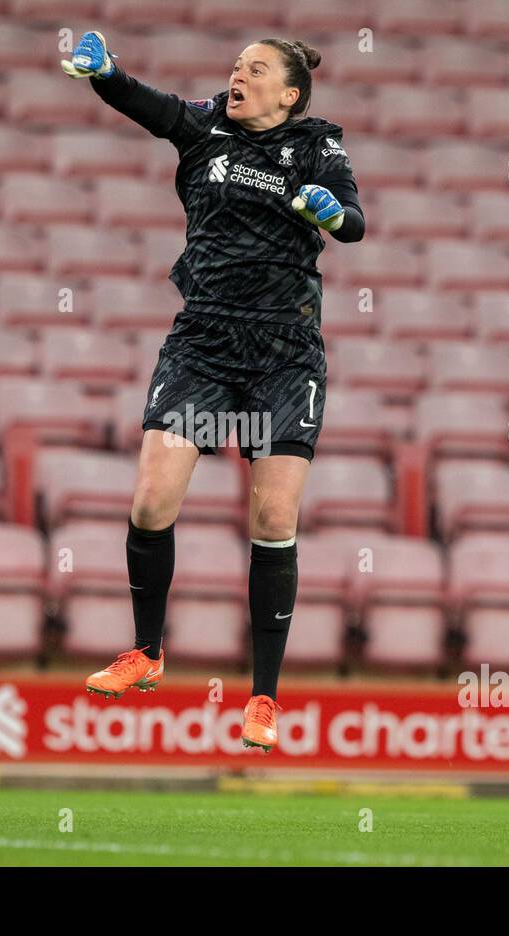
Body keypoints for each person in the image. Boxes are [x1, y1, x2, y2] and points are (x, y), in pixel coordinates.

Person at [61, 30, 366, 752]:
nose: (239, 76)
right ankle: (146, 652)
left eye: (255, 70)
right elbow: (147, 106)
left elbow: (353, 222)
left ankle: (262, 698)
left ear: (289, 92)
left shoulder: (317, 148)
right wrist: (106, 73)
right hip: (205, 345)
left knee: (271, 514)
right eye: (235, 67)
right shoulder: (205, 129)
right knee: (151, 499)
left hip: (283, 355)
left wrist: (329, 213)